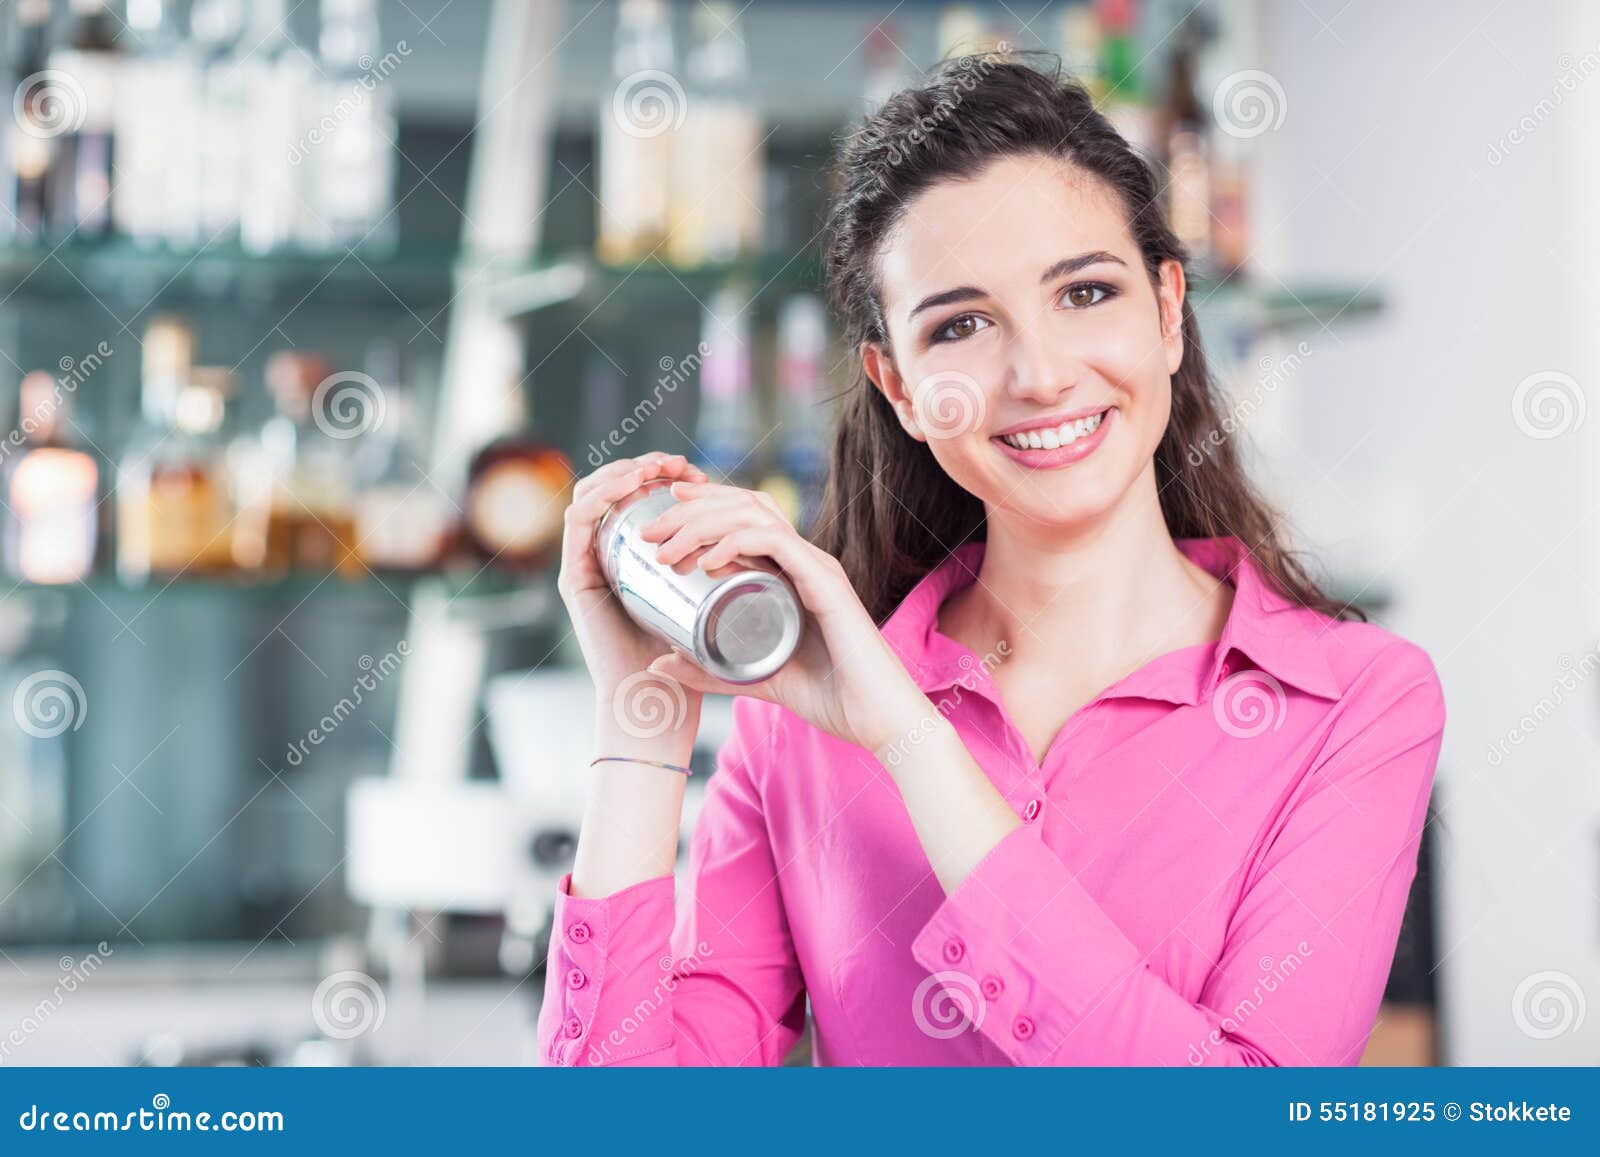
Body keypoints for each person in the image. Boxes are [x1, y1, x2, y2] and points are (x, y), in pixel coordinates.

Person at [539, 55, 1445, 1066]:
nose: (1040, 374)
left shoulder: (1355, 703)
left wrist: (909, 741)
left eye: (1085, 292)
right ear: (898, 386)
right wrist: (640, 723)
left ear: (1167, 311)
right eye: (960, 324)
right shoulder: (794, 725)